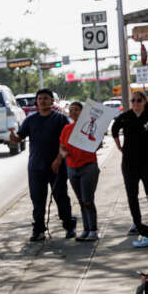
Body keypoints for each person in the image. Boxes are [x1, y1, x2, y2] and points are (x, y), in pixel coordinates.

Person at [10, 88, 75, 241]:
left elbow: (67, 142)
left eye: (46, 98)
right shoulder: (31, 119)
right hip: (36, 168)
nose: (43, 101)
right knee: (37, 199)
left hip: (57, 166)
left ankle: (69, 226)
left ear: (52, 101)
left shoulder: (60, 119)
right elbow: (19, 137)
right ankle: (38, 230)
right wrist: (13, 137)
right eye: (40, 99)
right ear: (36, 102)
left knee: (61, 197)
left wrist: (59, 159)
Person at [110, 90, 148, 245]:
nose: (136, 104)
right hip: (130, 163)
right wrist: (119, 147)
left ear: (144, 101)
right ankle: (137, 223)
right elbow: (114, 130)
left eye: (139, 100)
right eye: (133, 101)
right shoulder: (126, 116)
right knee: (132, 194)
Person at [56, 101, 101, 242]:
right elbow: (61, 146)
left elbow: (98, 144)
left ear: (83, 113)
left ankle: (93, 230)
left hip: (88, 167)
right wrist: (62, 153)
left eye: (76, 109)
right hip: (72, 168)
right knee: (81, 201)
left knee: (88, 200)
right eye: (71, 110)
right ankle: (86, 230)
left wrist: (93, 143)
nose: (73, 112)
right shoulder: (66, 128)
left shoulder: (90, 126)